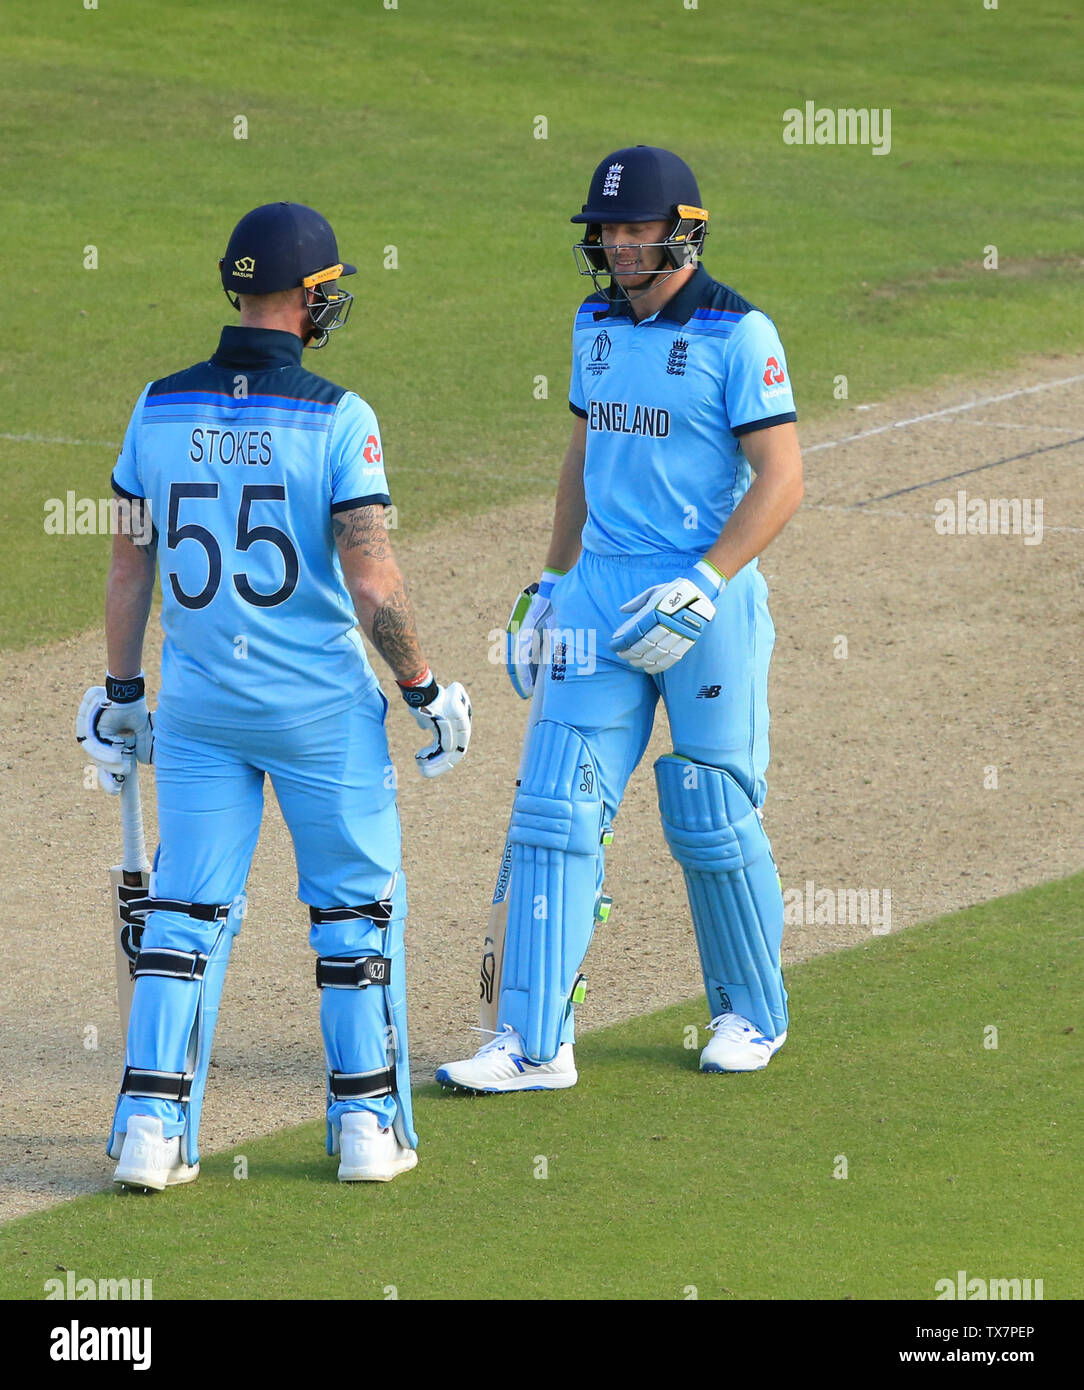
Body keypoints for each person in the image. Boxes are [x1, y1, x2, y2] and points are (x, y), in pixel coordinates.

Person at [77, 201, 471, 1186]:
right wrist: (424, 687)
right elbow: (371, 577)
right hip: (317, 709)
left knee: (184, 910)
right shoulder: (341, 415)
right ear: (305, 298)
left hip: (202, 703)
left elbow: (132, 565)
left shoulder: (155, 404)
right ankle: (366, 1127)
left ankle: (148, 1133)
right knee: (354, 912)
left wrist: (122, 688)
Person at [437, 146, 803, 1092]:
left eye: (632, 227)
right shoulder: (593, 321)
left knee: (710, 807)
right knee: (554, 809)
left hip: (699, 603)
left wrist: (709, 582)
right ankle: (532, 1042)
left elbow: (783, 478)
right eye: (605, 229)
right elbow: (582, 452)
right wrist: (550, 580)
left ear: (681, 230)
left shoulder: (739, 333)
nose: (614, 244)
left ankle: (750, 1016)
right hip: (598, 591)